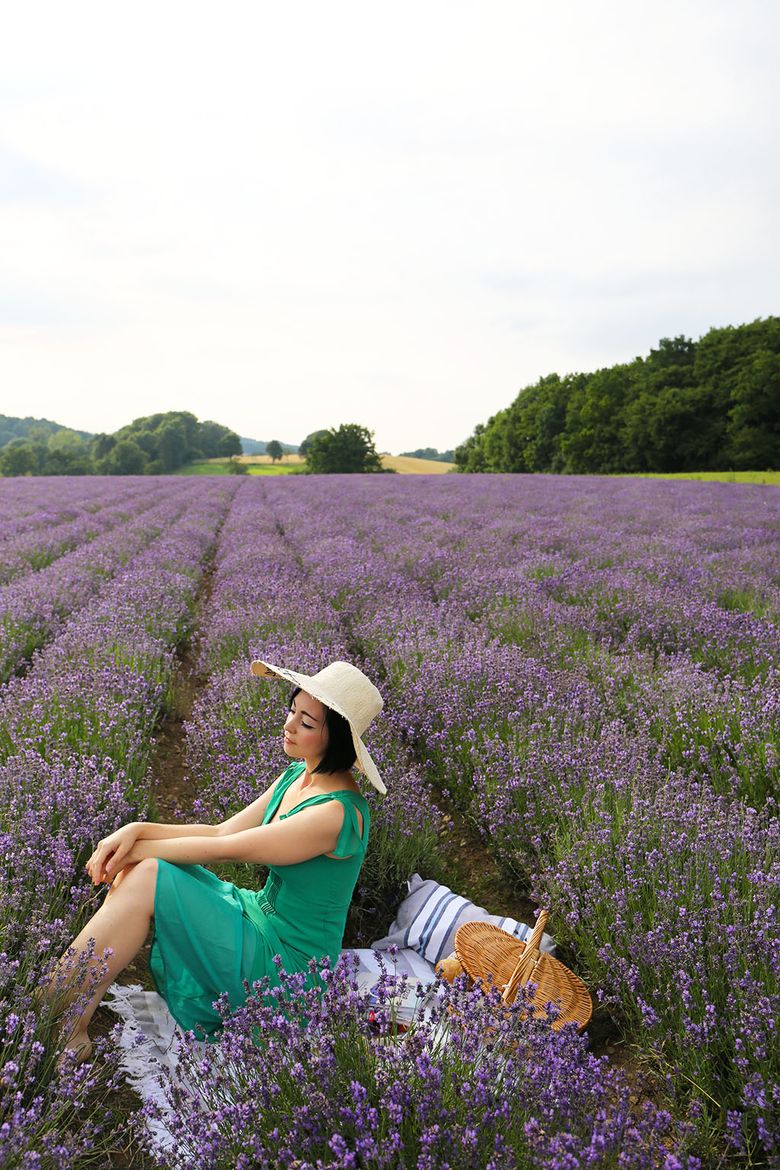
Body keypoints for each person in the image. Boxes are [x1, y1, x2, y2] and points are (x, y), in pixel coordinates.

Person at [50, 658, 385, 1063]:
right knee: (143, 868)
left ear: (337, 741)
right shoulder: (297, 777)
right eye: (292, 709)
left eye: (307, 723)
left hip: (290, 970)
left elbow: (230, 849)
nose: (290, 725)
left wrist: (140, 849)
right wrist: (136, 830)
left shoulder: (335, 814)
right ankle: (66, 1004)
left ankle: (59, 1012)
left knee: (149, 871)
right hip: (258, 919)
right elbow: (220, 831)